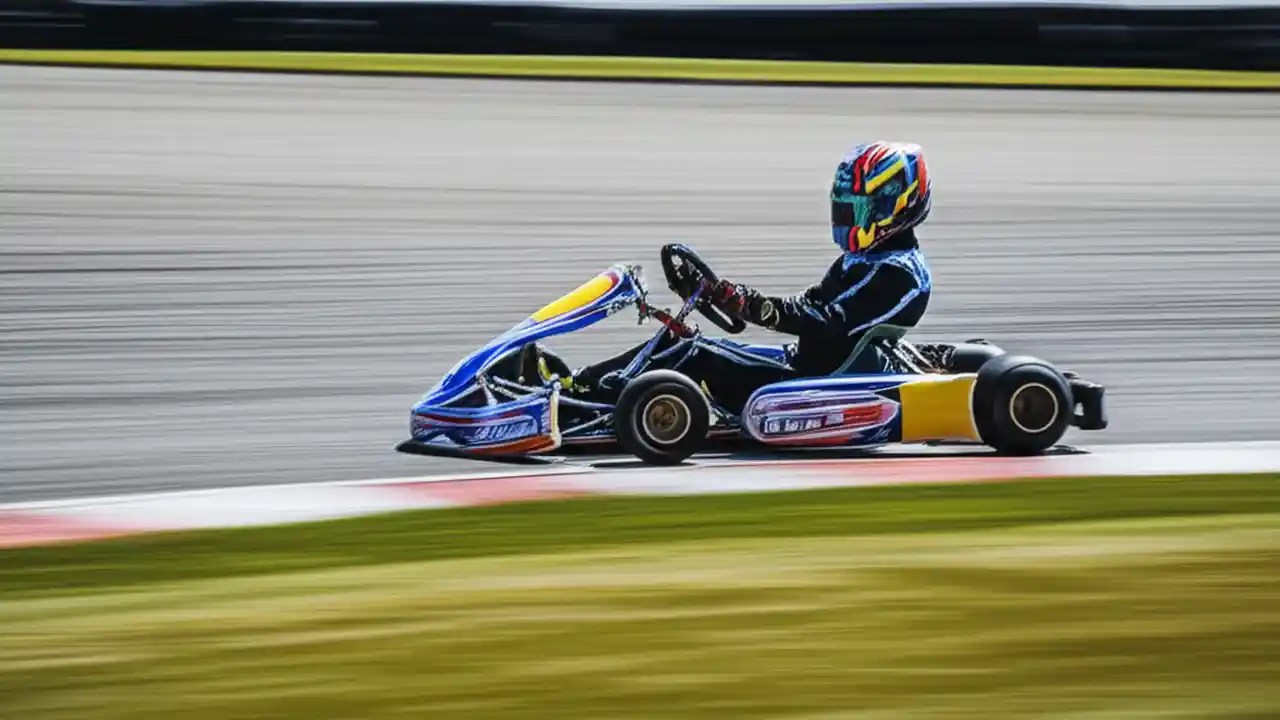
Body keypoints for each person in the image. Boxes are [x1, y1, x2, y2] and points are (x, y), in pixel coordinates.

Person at [558, 141, 935, 414]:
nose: (849, 220)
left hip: (817, 383)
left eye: (859, 210)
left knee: (696, 355)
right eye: (846, 210)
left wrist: (750, 304)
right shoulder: (864, 259)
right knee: (677, 341)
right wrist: (730, 298)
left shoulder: (900, 275)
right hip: (803, 362)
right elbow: (812, 304)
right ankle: (578, 383)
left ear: (895, 205)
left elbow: (827, 322)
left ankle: (592, 404)